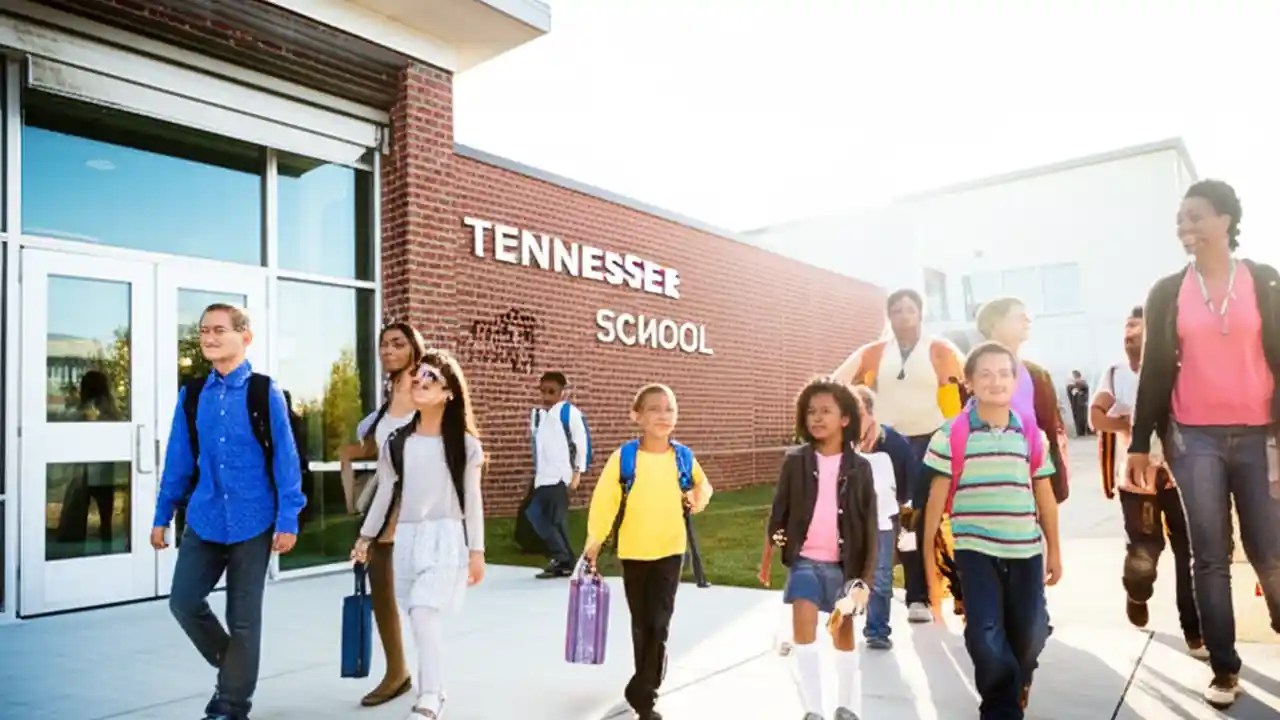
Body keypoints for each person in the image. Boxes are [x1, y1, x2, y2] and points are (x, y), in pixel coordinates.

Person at [1128, 179, 1280, 709]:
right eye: (1180, 220)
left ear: (1225, 220)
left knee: (1270, 551)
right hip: (1194, 438)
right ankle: (1223, 668)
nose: (1185, 228)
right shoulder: (1168, 291)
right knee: (1210, 556)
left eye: (1195, 217)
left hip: (1262, 434)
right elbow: (1152, 373)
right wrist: (1139, 442)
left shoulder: (1265, 280)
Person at [150, 303, 306, 720]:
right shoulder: (193, 394)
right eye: (204, 331)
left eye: (219, 329)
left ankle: (231, 704)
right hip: (204, 519)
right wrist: (161, 515)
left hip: (254, 520)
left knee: (243, 619)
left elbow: (286, 462)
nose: (209, 337)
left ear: (245, 336)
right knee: (183, 602)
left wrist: (289, 518)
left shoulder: (263, 391)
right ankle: (236, 667)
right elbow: (179, 459)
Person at [922, 341, 1061, 720]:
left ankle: (1018, 677)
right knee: (984, 632)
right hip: (975, 548)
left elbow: (1044, 495)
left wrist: (1055, 551)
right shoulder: (950, 435)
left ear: (1015, 381)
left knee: (1031, 634)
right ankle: (1001, 707)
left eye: (1003, 373)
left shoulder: (1030, 433)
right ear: (968, 382)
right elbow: (934, 505)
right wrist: (929, 567)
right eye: (984, 373)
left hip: (1026, 551)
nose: (995, 380)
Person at [352, 350, 486, 720]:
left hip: (446, 541)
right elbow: (385, 492)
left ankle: (431, 695)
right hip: (407, 541)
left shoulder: (465, 445)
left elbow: (473, 501)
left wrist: (477, 551)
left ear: (449, 394)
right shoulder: (398, 442)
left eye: (432, 378)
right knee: (416, 613)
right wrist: (365, 538)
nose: (420, 382)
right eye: (419, 376)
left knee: (425, 612)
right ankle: (430, 688)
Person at [833, 288, 965, 624]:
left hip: (929, 441)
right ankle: (872, 590)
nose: (903, 316)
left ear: (920, 313)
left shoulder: (940, 349)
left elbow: (970, 382)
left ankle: (918, 596)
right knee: (881, 517)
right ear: (889, 316)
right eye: (896, 310)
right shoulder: (875, 351)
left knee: (916, 517)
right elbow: (836, 381)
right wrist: (856, 418)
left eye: (910, 309)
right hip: (886, 443)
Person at [583, 384, 713, 720]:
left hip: (670, 551)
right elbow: (604, 503)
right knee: (642, 624)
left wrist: (696, 498)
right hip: (635, 553)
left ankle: (645, 698)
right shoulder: (624, 458)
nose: (663, 415)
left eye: (669, 408)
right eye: (654, 409)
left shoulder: (683, 457)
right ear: (636, 416)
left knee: (660, 622)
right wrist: (594, 543)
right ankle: (642, 686)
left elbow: (703, 485)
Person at [759, 377, 876, 720]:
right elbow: (777, 516)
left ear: (845, 419)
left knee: (843, 636)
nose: (817, 418)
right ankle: (813, 710)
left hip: (845, 568)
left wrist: (863, 582)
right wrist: (781, 544)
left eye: (826, 411)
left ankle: (847, 706)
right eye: (811, 411)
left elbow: (870, 528)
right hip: (806, 563)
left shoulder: (860, 468)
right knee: (804, 630)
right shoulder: (795, 462)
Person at [1091, 306, 1203, 658]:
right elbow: (1096, 417)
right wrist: (1128, 427)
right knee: (1145, 551)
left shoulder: (1179, 371)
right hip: (1138, 482)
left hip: (1181, 476)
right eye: (1127, 327)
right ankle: (1137, 593)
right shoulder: (1114, 373)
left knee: (1190, 552)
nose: (1131, 333)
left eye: (1138, 327)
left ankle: (1195, 630)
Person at [338, 321, 427, 707]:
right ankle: (397, 672)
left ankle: (432, 682)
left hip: (420, 511)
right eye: (384, 344)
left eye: (398, 343)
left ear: (413, 349)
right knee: (383, 594)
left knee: (424, 599)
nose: (389, 350)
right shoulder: (385, 405)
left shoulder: (428, 388)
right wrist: (349, 495)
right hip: (383, 511)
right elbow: (373, 453)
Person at [851, 385, 915, 651]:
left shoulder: (892, 443)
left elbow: (908, 479)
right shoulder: (840, 442)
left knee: (881, 577)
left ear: (868, 411)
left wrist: (900, 505)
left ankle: (877, 630)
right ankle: (840, 621)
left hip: (883, 521)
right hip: (850, 520)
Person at [527, 371, 589, 578]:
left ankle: (563, 559)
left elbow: (581, 444)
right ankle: (566, 560)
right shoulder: (539, 416)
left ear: (562, 392)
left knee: (550, 518)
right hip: (542, 477)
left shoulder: (568, 412)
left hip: (561, 476)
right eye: (543, 391)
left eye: (552, 391)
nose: (546, 396)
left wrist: (578, 472)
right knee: (537, 515)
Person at [1067, 370, 1091, 436]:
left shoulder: (1082, 384)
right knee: (1080, 422)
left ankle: (1084, 432)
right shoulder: (1072, 387)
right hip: (1078, 407)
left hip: (1081, 407)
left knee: (1082, 421)